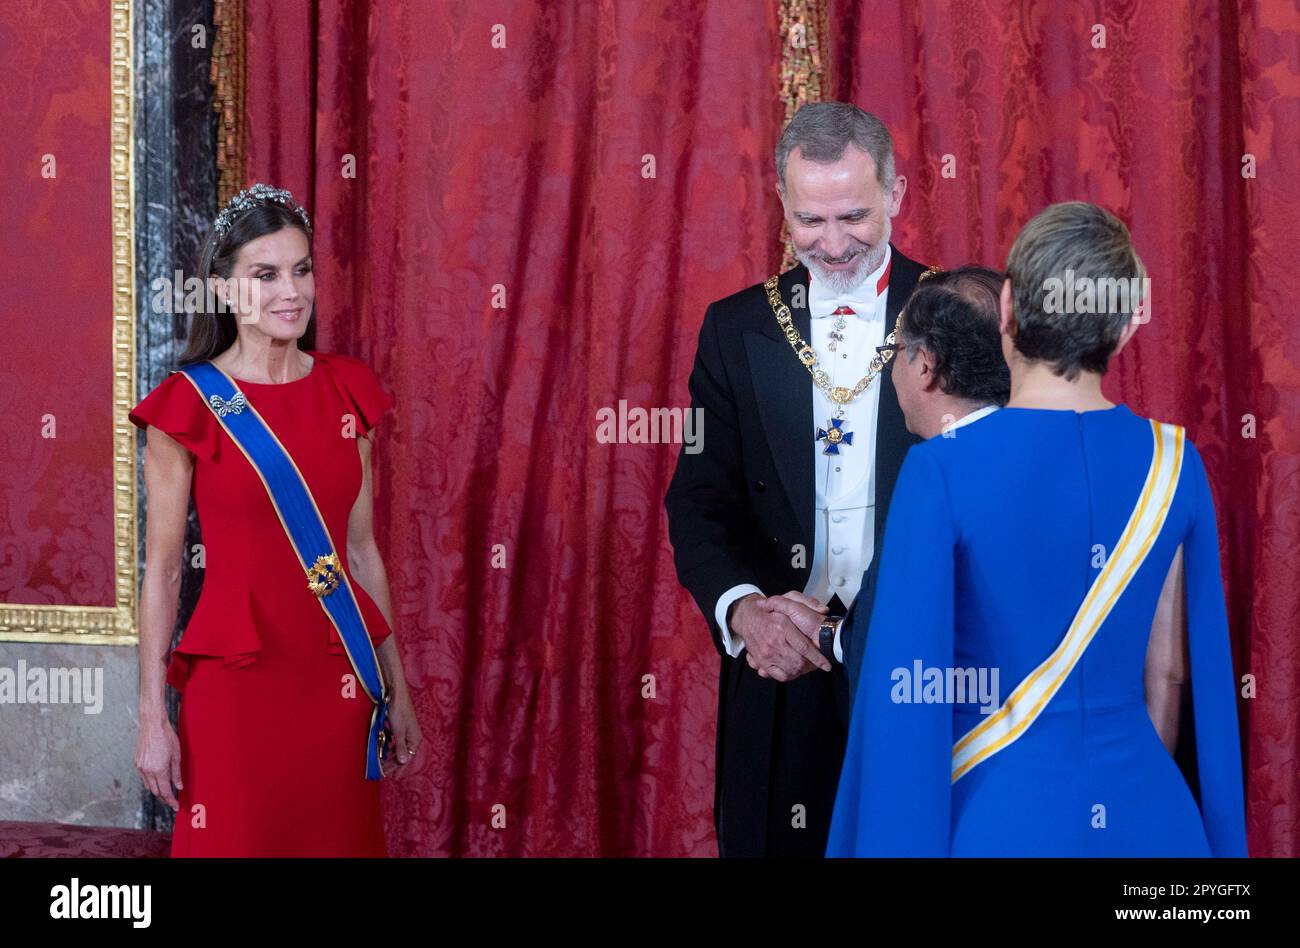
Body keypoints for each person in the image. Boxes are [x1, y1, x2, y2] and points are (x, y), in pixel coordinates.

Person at [826, 201, 1248, 856]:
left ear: (1007, 308)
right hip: (1153, 823)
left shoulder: (940, 471)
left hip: (999, 819)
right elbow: (1169, 674)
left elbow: (905, 706)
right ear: (1124, 329)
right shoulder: (1175, 461)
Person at [664, 102, 930, 857]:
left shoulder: (959, 313)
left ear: (897, 195)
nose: (834, 244)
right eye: (811, 221)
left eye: (854, 215)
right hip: (780, 664)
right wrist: (745, 614)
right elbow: (698, 500)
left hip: (917, 666)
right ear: (783, 204)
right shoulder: (735, 325)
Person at [130, 184, 423, 856]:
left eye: (301, 269)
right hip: (236, 687)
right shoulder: (186, 407)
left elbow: (362, 552)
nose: (290, 292)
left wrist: (398, 689)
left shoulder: (348, 389)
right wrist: (151, 715)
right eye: (264, 275)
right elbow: (167, 570)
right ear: (225, 291)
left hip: (337, 678)